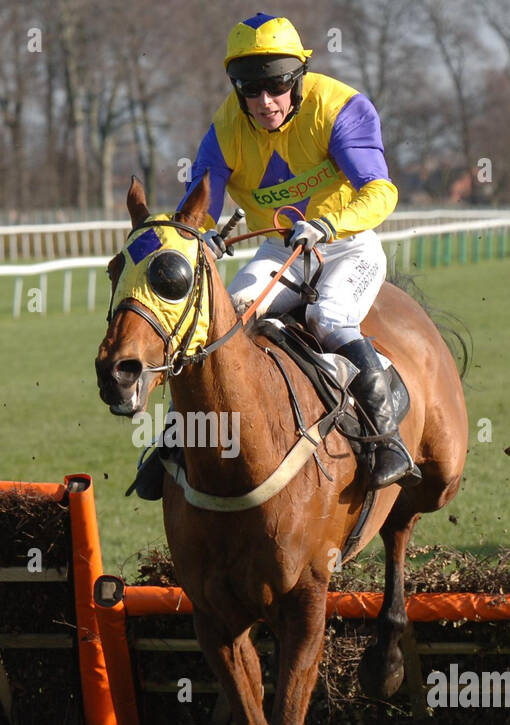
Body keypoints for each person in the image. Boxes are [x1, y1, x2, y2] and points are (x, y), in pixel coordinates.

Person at [131, 12, 418, 500]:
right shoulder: (225, 128)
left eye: (278, 86)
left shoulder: (341, 107)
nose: (265, 102)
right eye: (251, 89)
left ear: (298, 79)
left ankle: (388, 440)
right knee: (220, 324)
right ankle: (175, 439)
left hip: (348, 246)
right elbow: (198, 207)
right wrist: (202, 238)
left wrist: (329, 223)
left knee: (328, 316)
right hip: (279, 248)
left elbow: (380, 191)